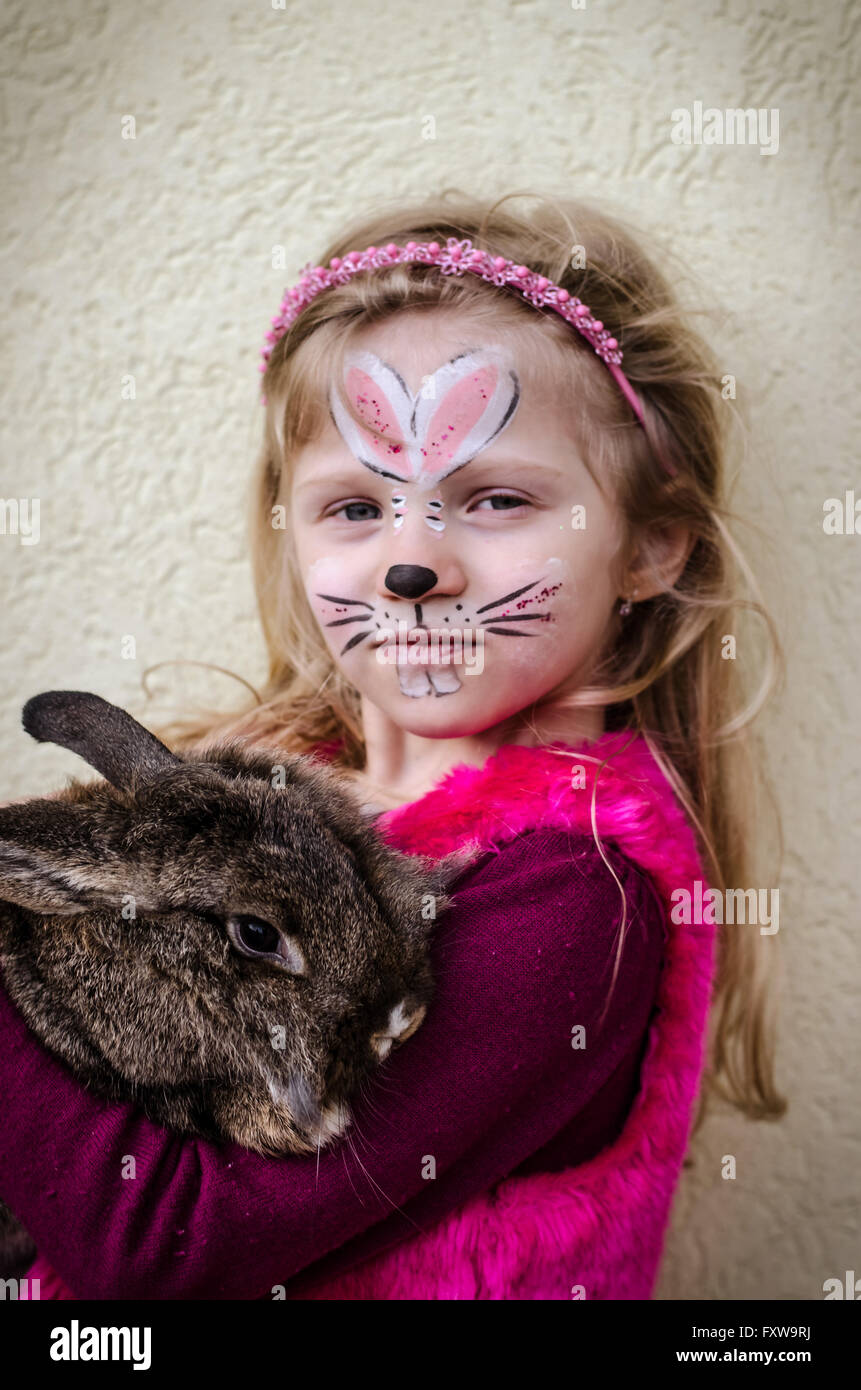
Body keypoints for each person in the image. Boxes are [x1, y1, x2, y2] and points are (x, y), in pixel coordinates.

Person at [0, 192, 786, 1300]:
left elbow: (161, 1253)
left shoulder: (574, 900)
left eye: (498, 498)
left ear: (653, 546)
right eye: (355, 509)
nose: (412, 565)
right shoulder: (253, 795)